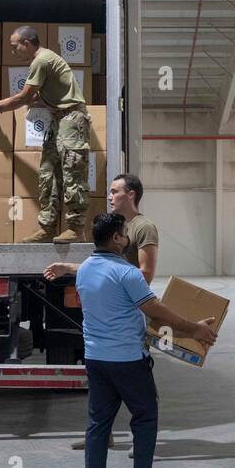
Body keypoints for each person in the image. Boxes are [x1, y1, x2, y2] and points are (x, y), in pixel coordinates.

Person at [45, 213, 216, 468]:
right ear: (116, 239)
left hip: (96, 359)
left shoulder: (85, 269)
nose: (127, 239)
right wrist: (195, 328)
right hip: (127, 361)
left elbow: (88, 269)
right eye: (124, 234)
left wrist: (65, 267)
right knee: (145, 417)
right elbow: (156, 311)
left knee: (98, 423)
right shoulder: (128, 274)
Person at [60, 173, 161, 451]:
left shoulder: (143, 228)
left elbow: (146, 273)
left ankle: (140, 441)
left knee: (134, 379)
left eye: (115, 191)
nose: (109, 196)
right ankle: (102, 435)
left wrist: (117, 294)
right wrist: (69, 268)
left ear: (131, 195)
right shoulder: (114, 227)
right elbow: (101, 267)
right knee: (102, 378)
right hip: (112, 309)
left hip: (129, 312)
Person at [0, 25, 89, 243]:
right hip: (59, 119)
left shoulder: (42, 60)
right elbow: (33, 98)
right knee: (48, 173)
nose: (13, 52)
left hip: (72, 119)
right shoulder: (41, 61)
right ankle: (47, 228)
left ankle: (76, 228)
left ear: (27, 44)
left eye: (15, 47)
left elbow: (25, 96)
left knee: (71, 173)